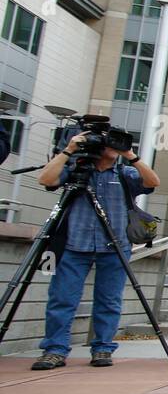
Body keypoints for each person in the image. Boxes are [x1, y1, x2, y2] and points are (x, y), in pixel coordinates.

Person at [31, 134, 160, 369]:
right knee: (62, 300)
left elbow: (152, 182)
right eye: (106, 142)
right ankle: (55, 349)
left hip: (115, 246)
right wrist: (69, 150)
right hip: (73, 244)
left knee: (109, 300)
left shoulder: (124, 173)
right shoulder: (76, 169)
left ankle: (102, 348)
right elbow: (46, 179)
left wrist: (130, 155)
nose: (111, 146)